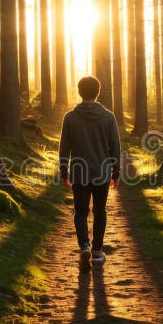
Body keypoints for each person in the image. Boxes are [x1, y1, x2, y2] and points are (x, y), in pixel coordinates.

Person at [59, 76, 121, 269]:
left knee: (80, 211)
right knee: (100, 211)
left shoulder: (70, 117)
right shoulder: (108, 117)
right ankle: (97, 251)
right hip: (102, 172)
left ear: (79, 92)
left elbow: (64, 148)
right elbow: (115, 147)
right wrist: (116, 172)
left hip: (79, 173)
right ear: (98, 92)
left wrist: (64, 172)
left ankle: (84, 246)